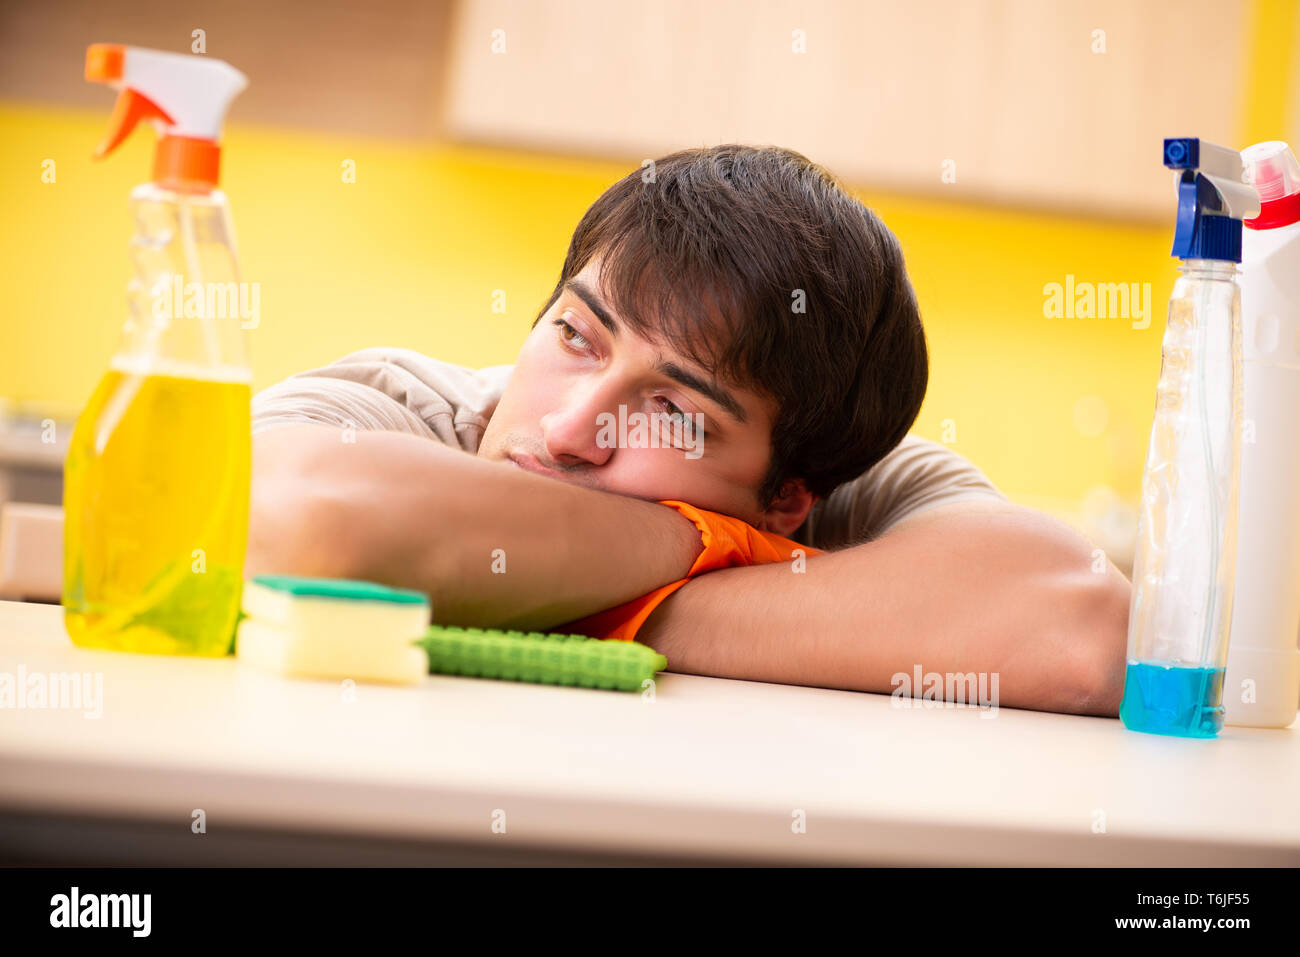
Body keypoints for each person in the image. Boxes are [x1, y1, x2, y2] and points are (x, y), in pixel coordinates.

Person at [248, 144, 1131, 715]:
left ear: (787, 498)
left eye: (673, 411)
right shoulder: (398, 401)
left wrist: (585, 586)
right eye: (575, 335)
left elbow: (1087, 633)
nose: (568, 428)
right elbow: (296, 522)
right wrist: (706, 543)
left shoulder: (847, 477)